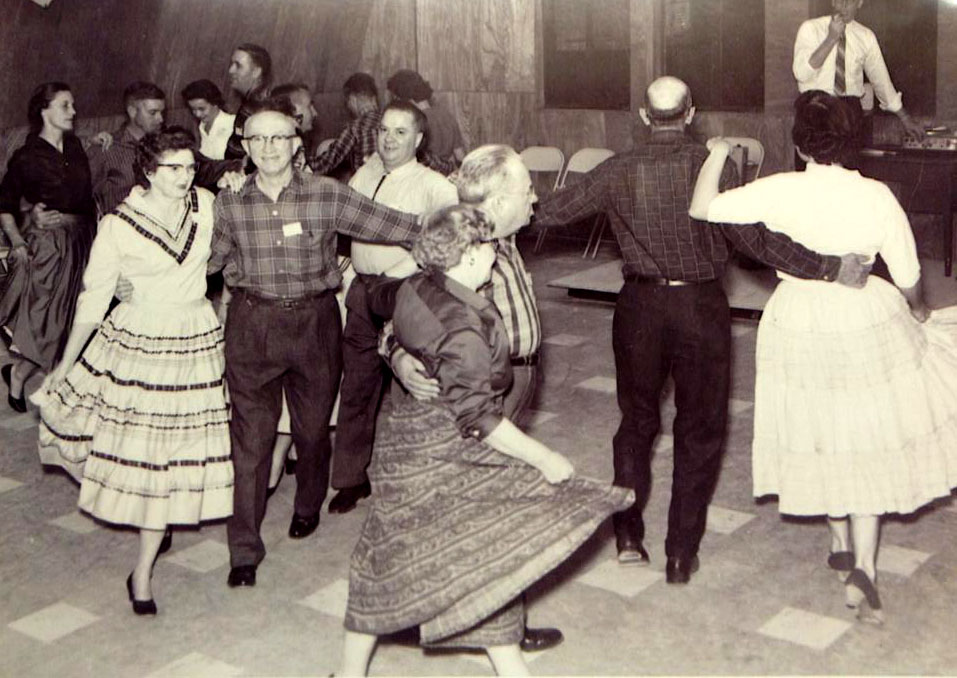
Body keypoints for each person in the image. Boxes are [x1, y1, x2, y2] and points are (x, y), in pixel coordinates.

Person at [532, 76, 872, 584]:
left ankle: (627, 536)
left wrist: (497, 191)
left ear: (645, 117)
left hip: (639, 308)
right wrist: (827, 267)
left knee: (636, 421)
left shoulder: (615, 169)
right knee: (700, 430)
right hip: (700, 308)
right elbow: (755, 240)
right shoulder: (711, 167)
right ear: (691, 114)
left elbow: (551, 211)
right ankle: (679, 554)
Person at [689, 90, 957, 625]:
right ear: (853, 140)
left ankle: (837, 543)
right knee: (866, 433)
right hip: (864, 315)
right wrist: (921, 311)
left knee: (821, 425)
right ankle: (864, 566)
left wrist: (717, 152)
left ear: (798, 142)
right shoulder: (877, 194)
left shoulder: (781, 188)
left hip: (796, 318)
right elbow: (907, 276)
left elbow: (704, 207)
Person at [338, 204, 633, 677]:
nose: (496, 254)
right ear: (470, 252)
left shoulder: (418, 283)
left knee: (455, 550)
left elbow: (372, 299)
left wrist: (396, 349)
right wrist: (546, 457)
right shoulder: (460, 325)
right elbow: (479, 417)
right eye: (490, 246)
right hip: (445, 447)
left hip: (407, 438)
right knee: (485, 548)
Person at [209, 102, 422, 589]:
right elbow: (207, 261)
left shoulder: (327, 195)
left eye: (278, 138)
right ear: (244, 147)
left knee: (309, 433)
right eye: (257, 140)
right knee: (250, 442)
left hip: (315, 325)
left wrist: (467, 226)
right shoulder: (230, 203)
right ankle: (243, 549)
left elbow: (395, 225)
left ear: (296, 144)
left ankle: (307, 505)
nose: (268, 149)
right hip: (251, 325)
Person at [372, 144, 566, 653]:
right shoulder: (460, 245)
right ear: (499, 201)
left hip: (516, 378)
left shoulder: (507, 237)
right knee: (481, 506)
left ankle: (500, 624)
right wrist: (396, 355)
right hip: (476, 398)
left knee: (493, 500)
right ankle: (466, 619)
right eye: (526, 191)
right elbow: (393, 306)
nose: (535, 199)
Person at [32, 127, 234, 615]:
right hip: (140, 338)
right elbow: (94, 297)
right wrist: (66, 362)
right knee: (137, 456)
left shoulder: (207, 204)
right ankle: (144, 533)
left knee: (171, 458)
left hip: (193, 337)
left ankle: (143, 567)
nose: (184, 178)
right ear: (148, 170)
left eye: (189, 167)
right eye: (173, 169)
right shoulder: (119, 225)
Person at [328, 99, 458, 514]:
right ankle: (350, 478)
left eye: (401, 132)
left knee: (413, 388)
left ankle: (417, 482)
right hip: (362, 291)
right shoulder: (365, 172)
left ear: (419, 139)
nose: (389, 139)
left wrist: (403, 276)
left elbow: (444, 246)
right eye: (384, 130)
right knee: (357, 386)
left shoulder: (434, 185)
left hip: (405, 294)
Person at [0, 82, 96, 413]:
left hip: (85, 242)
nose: (73, 111)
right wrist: (19, 240)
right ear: (45, 110)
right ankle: (19, 375)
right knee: (49, 328)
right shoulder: (27, 156)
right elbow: (6, 204)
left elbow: (84, 196)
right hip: (52, 249)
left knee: (76, 323)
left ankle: (37, 382)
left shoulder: (75, 147)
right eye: (65, 105)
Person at [792, 0, 924, 158]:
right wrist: (831, 38)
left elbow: (881, 80)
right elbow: (801, 73)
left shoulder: (866, 36)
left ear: (860, 3)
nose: (844, 6)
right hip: (814, 110)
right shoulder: (810, 28)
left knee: (849, 173)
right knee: (811, 176)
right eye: (840, 1)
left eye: (850, 1)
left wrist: (905, 118)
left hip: (849, 112)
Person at [89, 81, 166, 214]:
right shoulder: (106, 149)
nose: (160, 119)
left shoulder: (164, 146)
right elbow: (83, 196)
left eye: (161, 112)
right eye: (153, 113)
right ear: (132, 111)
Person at [387, 69, 465, 175]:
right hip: (446, 177)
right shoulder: (447, 115)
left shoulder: (415, 122)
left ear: (404, 98)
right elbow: (460, 156)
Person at [310, 72, 380, 178]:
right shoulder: (390, 120)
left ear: (352, 99)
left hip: (366, 189)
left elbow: (325, 163)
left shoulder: (355, 127)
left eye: (347, 103)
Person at [224, 43, 272, 163]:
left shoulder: (258, 108)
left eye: (238, 66)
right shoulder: (251, 103)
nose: (231, 70)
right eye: (231, 64)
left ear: (256, 72)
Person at [182, 79, 235, 161]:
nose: (197, 114)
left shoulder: (232, 123)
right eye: (193, 109)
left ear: (215, 103)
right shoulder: (201, 127)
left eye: (202, 109)